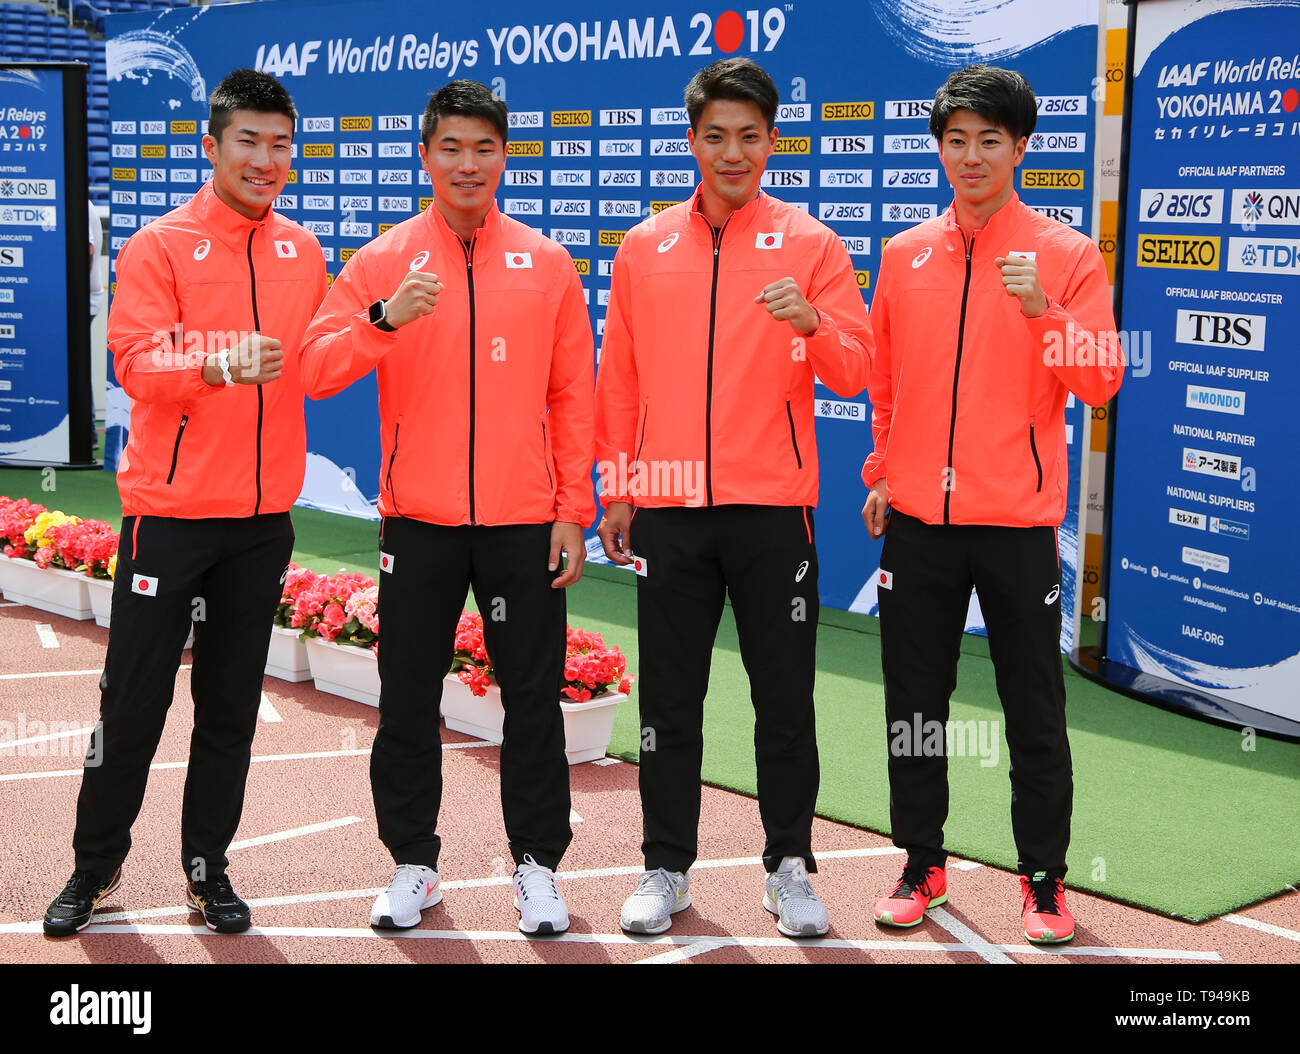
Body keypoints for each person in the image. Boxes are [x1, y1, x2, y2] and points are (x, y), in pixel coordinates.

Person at [298, 80, 594, 937]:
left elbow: (574, 394)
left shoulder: (545, 262)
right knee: (404, 696)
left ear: (505, 156)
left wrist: (573, 506)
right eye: (452, 149)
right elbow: (316, 368)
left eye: (485, 149)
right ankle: (413, 865)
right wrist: (383, 321)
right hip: (418, 522)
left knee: (532, 699)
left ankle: (537, 867)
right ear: (424, 156)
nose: (469, 165)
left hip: (521, 522)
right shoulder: (384, 259)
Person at [43, 69, 328, 936]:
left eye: (281, 144)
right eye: (249, 140)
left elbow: (314, 364)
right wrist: (212, 367)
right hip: (167, 518)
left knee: (230, 711)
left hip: (258, 524)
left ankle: (209, 869)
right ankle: (94, 869)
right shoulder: (159, 246)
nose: (266, 159)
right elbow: (132, 364)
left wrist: (381, 322)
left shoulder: (302, 250)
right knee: (130, 705)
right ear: (212, 146)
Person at [595, 57, 872, 938]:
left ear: (772, 142)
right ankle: (664, 867)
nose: (733, 151)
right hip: (669, 509)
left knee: (784, 701)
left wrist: (813, 322)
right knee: (670, 704)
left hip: (770, 510)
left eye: (750, 136)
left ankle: (789, 866)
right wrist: (619, 489)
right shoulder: (646, 246)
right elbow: (620, 383)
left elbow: (857, 370)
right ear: (691, 142)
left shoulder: (814, 245)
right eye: (716, 135)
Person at [862, 64, 1123, 944]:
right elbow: (884, 381)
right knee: (914, 708)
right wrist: (881, 474)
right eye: (956, 139)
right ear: (939, 146)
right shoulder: (904, 253)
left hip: (1017, 526)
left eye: (990, 140)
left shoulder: (1068, 254)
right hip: (919, 528)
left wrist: (1043, 310)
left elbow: (1101, 376)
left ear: (1021, 148)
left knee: (1034, 709)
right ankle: (919, 862)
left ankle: (1044, 880)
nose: (971, 156)